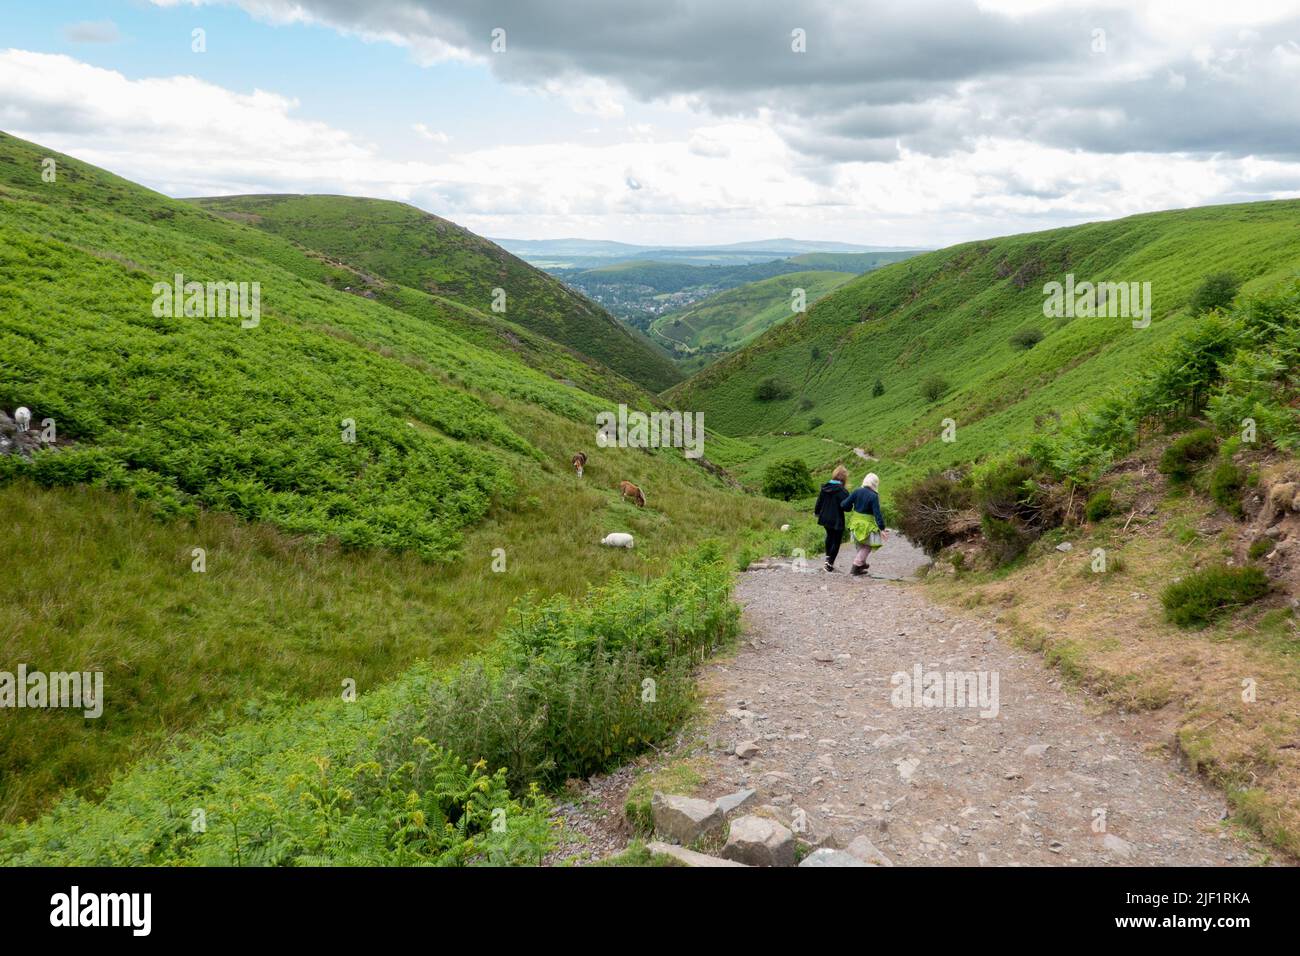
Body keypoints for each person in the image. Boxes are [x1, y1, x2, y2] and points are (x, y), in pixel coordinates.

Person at [845, 472, 888, 577]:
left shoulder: (857, 491)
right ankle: (856, 566)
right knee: (868, 546)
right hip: (866, 524)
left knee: (860, 544)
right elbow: (877, 514)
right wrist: (882, 528)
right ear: (875, 483)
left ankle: (861, 566)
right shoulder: (874, 496)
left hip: (854, 523)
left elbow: (844, 504)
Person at [812, 465, 851, 572]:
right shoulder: (843, 491)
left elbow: (819, 501)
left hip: (825, 518)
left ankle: (827, 558)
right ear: (844, 478)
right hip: (837, 519)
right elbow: (847, 508)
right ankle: (829, 564)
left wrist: (816, 512)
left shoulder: (825, 487)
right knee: (837, 540)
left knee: (829, 536)